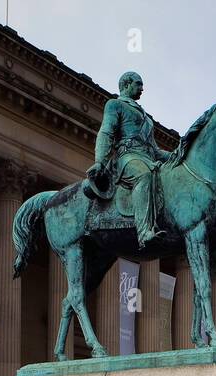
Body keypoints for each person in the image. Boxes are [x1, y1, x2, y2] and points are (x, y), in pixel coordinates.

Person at [86, 71, 172, 248]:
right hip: (126, 157)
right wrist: (100, 161)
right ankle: (144, 232)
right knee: (143, 176)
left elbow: (155, 151)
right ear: (126, 85)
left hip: (147, 158)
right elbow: (106, 132)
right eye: (138, 84)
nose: (142, 88)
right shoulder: (115, 104)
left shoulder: (147, 119)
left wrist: (178, 155)